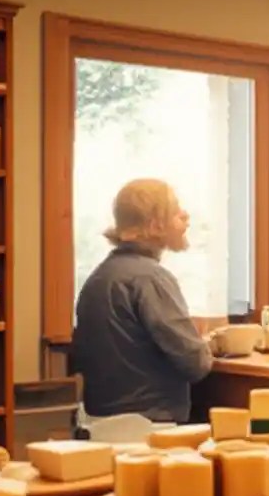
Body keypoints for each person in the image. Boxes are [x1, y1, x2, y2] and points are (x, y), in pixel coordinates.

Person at [73, 178, 213, 423]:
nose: (186, 216)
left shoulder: (99, 277)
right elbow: (196, 363)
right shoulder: (150, 279)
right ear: (155, 225)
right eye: (177, 211)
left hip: (100, 425)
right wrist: (209, 345)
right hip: (151, 427)